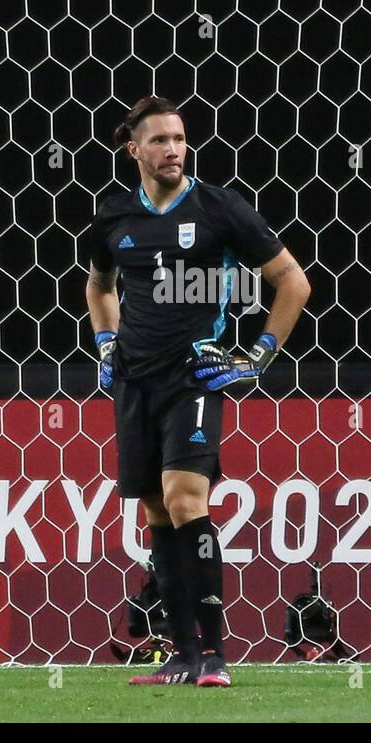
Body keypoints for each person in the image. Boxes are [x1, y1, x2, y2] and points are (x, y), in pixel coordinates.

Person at [85, 95, 311, 686]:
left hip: (194, 375)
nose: (173, 150)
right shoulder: (112, 214)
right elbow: (100, 286)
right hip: (135, 381)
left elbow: (292, 280)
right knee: (156, 510)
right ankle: (181, 655)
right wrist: (107, 344)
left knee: (186, 497)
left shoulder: (220, 208)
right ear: (133, 149)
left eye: (179, 139)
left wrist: (257, 357)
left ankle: (215, 655)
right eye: (159, 140)